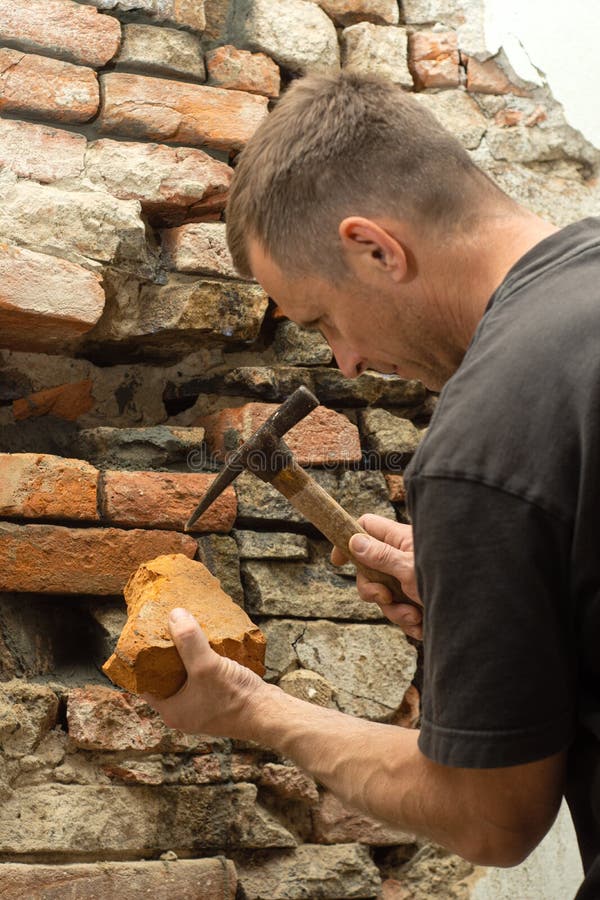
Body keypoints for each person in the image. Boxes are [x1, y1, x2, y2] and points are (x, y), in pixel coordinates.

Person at [145, 73, 600, 896]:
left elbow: (490, 818)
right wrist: (502, 582)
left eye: (322, 319)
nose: (344, 361)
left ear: (376, 248)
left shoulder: (487, 433)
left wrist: (252, 709)